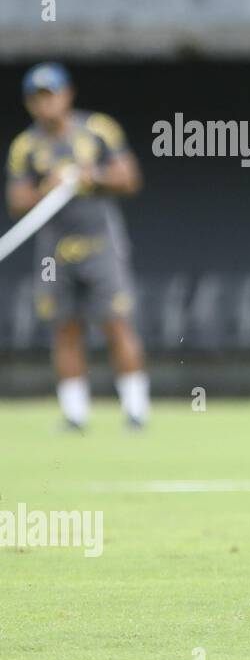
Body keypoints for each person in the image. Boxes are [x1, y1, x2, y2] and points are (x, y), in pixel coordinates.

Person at [5, 62, 150, 429]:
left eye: (51, 95)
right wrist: (46, 188)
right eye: (38, 98)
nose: (46, 105)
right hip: (55, 248)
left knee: (116, 321)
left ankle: (135, 410)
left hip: (101, 242)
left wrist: (91, 176)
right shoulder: (26, 146)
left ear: (67, 94)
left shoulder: (97, 130)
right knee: (64, 326)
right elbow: (17, 201)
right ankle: (74, 414)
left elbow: (129, 177)